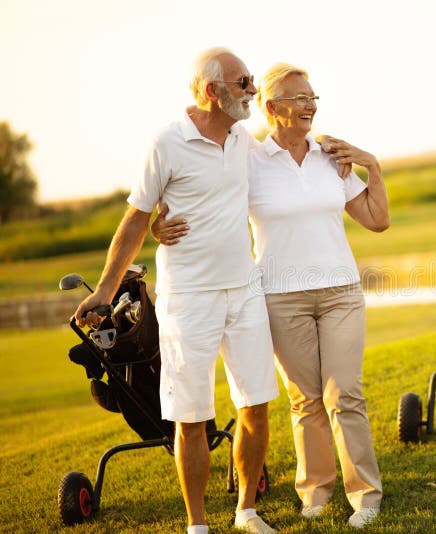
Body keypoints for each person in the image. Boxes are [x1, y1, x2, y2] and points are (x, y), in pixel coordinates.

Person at [153, 62, 389, 529]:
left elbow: (377, 219)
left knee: (345, 394)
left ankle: (365, 497)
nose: (311, 105)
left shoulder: (331, 156)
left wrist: (372, 164)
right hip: (280, 296)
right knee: (305, 401)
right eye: (301, 98)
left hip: (340, 291)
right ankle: (316, 492)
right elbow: (206, 203)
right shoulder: (249, 160)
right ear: (272, 107)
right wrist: (160, 226)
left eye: (313, 97)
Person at [74, 48, 280, 534]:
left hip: (244, 291)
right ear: (213, 90)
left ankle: (247, 511)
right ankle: (198, 526)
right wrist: (104, 290)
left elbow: (283, 157)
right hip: (189, 299)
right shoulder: (167, 142)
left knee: (255, 404)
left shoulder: (241, 137)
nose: (253, 89)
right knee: (190, 417)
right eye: (244, 80)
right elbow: (136, 219)